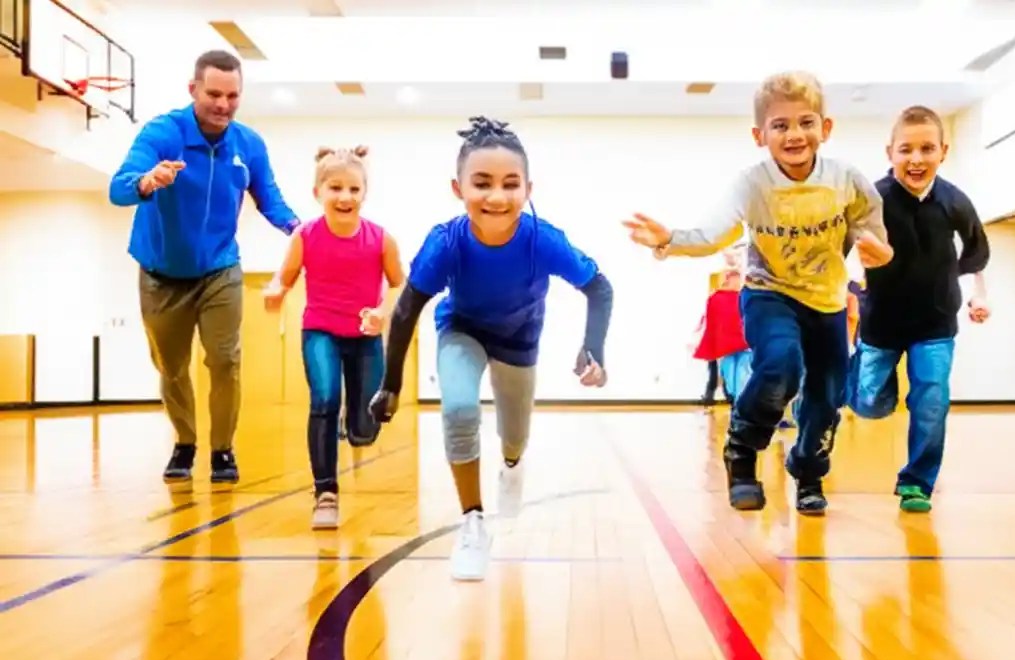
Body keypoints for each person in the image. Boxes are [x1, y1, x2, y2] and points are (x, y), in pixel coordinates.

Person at [624, 71, 894, 515]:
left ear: (825, 129)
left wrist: (879, 255)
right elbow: (712, 235)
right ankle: (742, 450)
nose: (794, 134)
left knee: (828, 395)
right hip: (770, 294)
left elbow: (875, 237)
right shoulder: (753, 184)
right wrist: (667, 237)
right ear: (759, 135)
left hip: (826, 301)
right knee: (781, 364)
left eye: (806, 122)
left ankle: (808, 468)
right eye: (780, 125)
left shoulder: (846, 179)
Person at [368, 116, 614, 581]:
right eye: (481, 183)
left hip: (520, 339)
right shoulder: (446, 243)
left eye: (510, 184)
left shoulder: (543, 240)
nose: (496, 196)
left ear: (528, 188)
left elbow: (599, 288)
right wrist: (391, 385)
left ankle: (512, 467)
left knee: (514, 436)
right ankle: (473, 523)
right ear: (458, 188)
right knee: (459, 410)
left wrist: (593, 349)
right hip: (462, 329)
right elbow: (405, 312)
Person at [107, 49, 298, 485]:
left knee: (225, 360)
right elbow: (118, 189)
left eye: (233, 95)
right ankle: (185, 442)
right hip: (161, 273)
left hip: (219, 269)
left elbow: (269, 198)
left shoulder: (247, 144)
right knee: (171, 367)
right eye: (214, 93)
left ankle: (222, 451)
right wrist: (145, 181)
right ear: (193, 89)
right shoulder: (164, 132)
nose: (223, 105)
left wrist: (301, 230)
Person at [847, 105, 991, 514]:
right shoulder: (871, 200)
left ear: (943, 151)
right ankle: (855, 376)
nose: (916, 159)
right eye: (906, 149)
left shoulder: (954, 202)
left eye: (927, 149)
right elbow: (838, 249)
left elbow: (977, 252)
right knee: (871, 403)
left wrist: (971, 289)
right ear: (889, 152)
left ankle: (916, 482)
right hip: (881, 323)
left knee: (931, 401)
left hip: (935, 323)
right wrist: (847, 285)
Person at [263, 145, 406, 529]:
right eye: (336, 188)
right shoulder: (306, 236)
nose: (345, 197)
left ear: (364, 193)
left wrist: (381, 313)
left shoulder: (380, 239)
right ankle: (325, 493)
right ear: (318, 193)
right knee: (324, 399)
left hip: (364, 336)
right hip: (321, 330)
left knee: (365, 429)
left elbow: (398, 284)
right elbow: (286, 275)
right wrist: (276, 289)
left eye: (354, 190)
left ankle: (356, 423)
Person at [691, 267, 751, 406]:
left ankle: (734, 398)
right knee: (730, 371)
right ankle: (731, 397)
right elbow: (712, 322)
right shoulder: (719, 298)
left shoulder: (741, 297)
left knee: (737, 372)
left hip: (738, 343)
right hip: (728, 343)